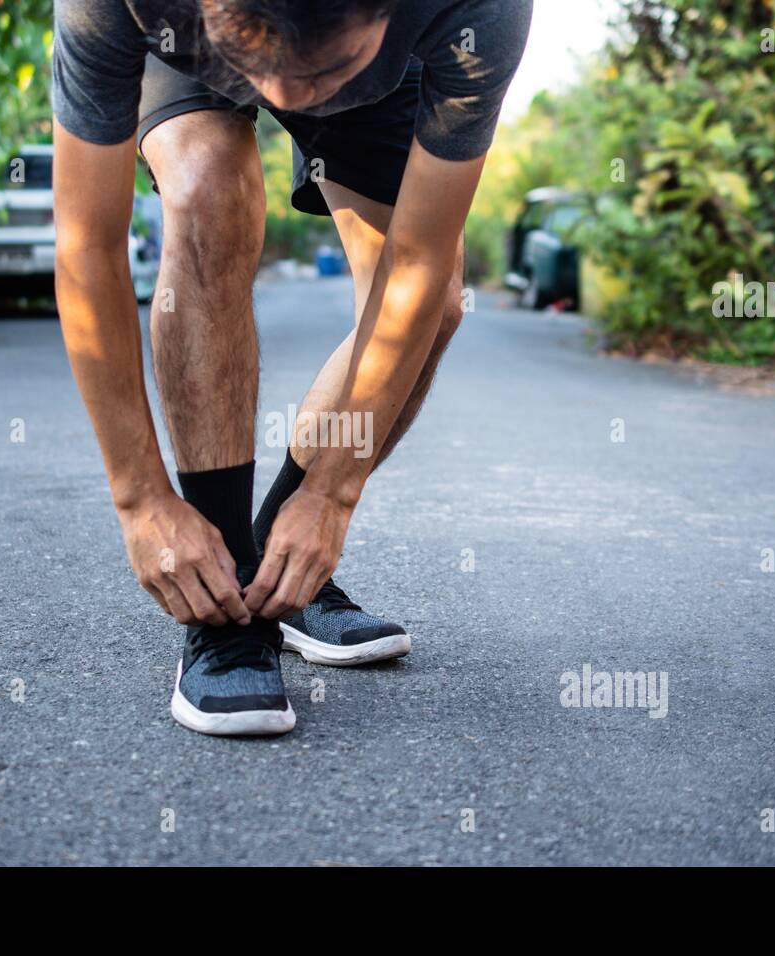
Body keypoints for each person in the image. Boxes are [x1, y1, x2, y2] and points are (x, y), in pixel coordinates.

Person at [52, 0, 532, 735]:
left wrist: (332, 495)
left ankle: (270, 568)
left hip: (386, 74)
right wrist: (141, 501)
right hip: (190, 47)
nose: (285, 100)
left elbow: (418, 263)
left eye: (326, 69)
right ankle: (223, 617)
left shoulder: (481, 11)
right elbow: (87, 244)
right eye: (259, 70)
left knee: (432, 307)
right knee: (211, 188)